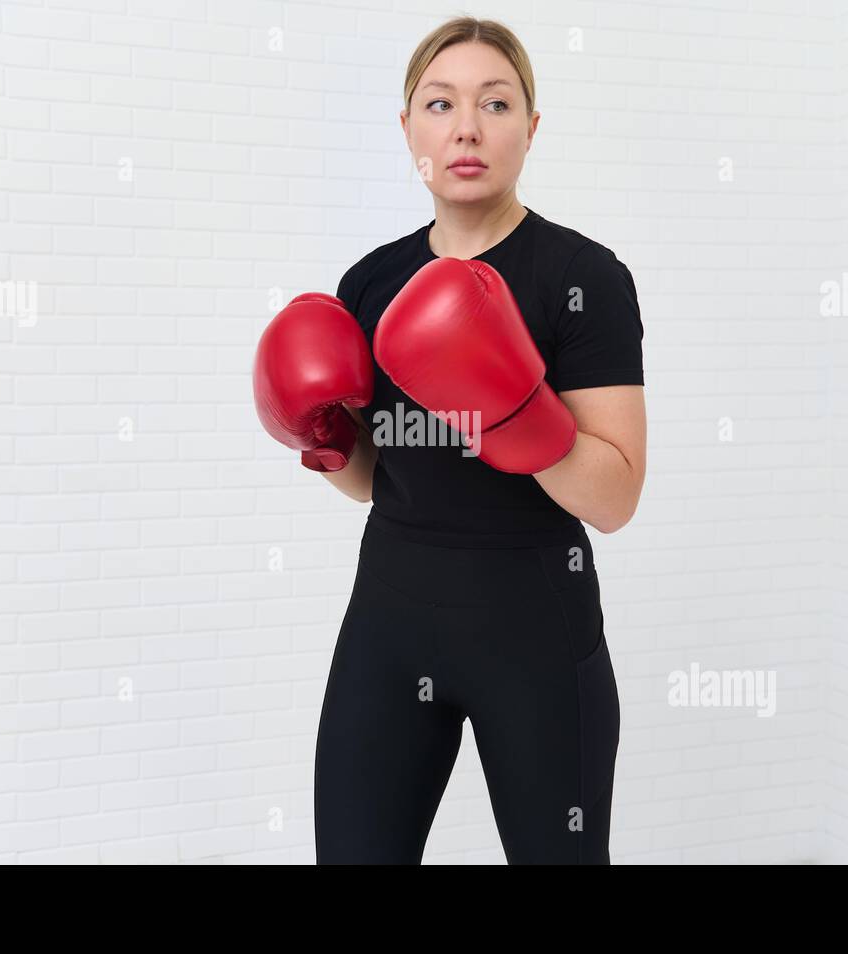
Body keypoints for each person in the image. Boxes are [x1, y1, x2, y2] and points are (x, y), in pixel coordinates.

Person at [254, 16, 647, 864]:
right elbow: (371, 479)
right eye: (441, 103)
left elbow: (615, 499)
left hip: (534, 627)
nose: (466, 126)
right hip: (390, 621)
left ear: (531, 129)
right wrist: (321, 438)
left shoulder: (584, 279)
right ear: (410, 130)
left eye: (495, 103)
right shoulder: (370, 281)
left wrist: (521, 415)